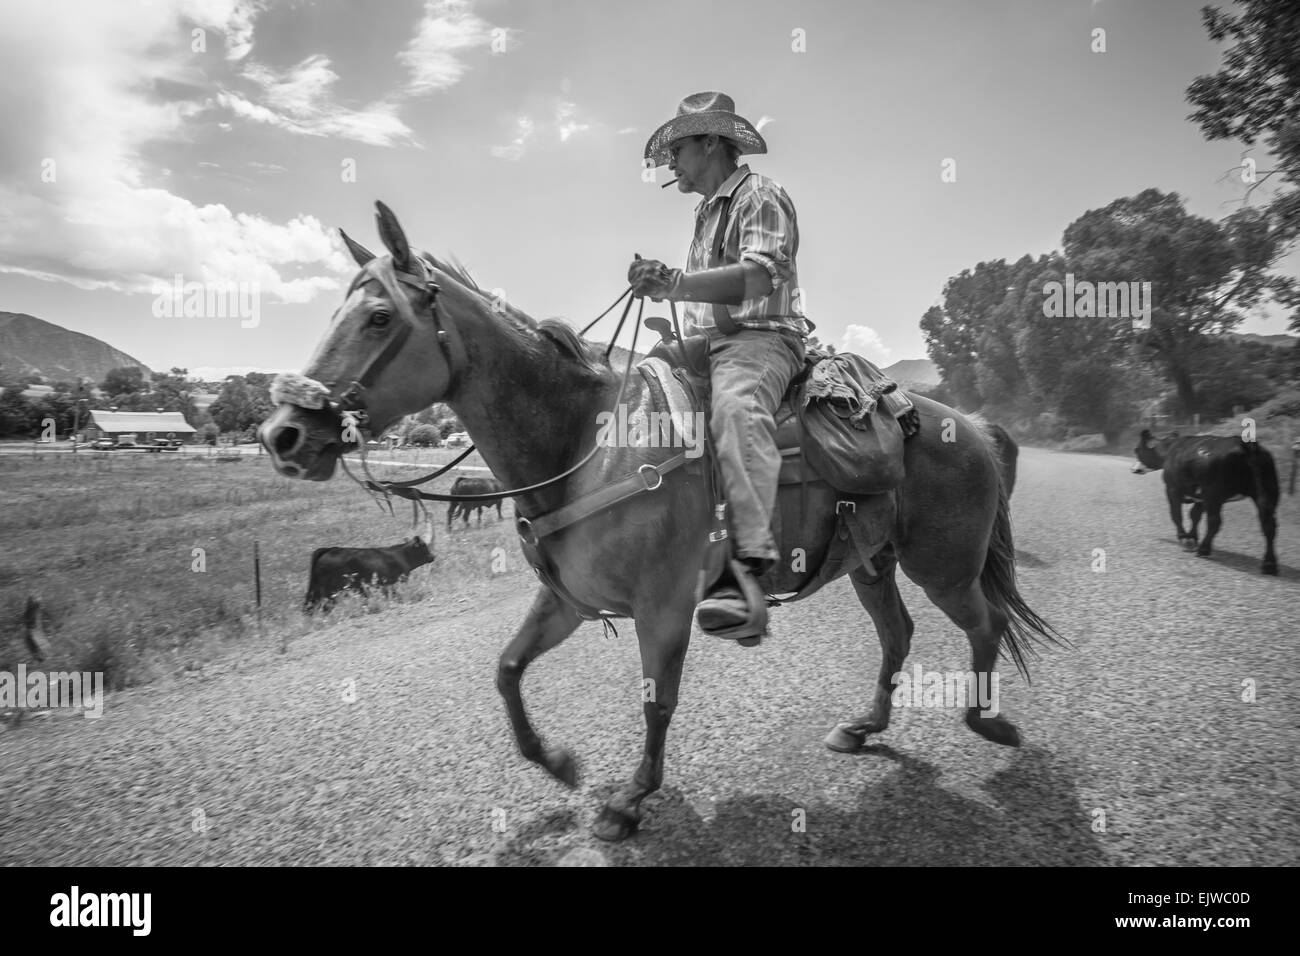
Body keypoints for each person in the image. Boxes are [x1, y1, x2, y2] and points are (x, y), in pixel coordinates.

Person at [628, 91, 807, 639]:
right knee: (633, 391)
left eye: (677, 149)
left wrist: (675, 284)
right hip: (709, 342)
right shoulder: (707, 212)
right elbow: (702, 296)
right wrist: (668, 296)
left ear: (711, 142)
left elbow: (758, 277)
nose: (670, 164)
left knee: (734, 409)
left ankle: (748, 571)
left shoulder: (760, 195)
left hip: (760, 339)